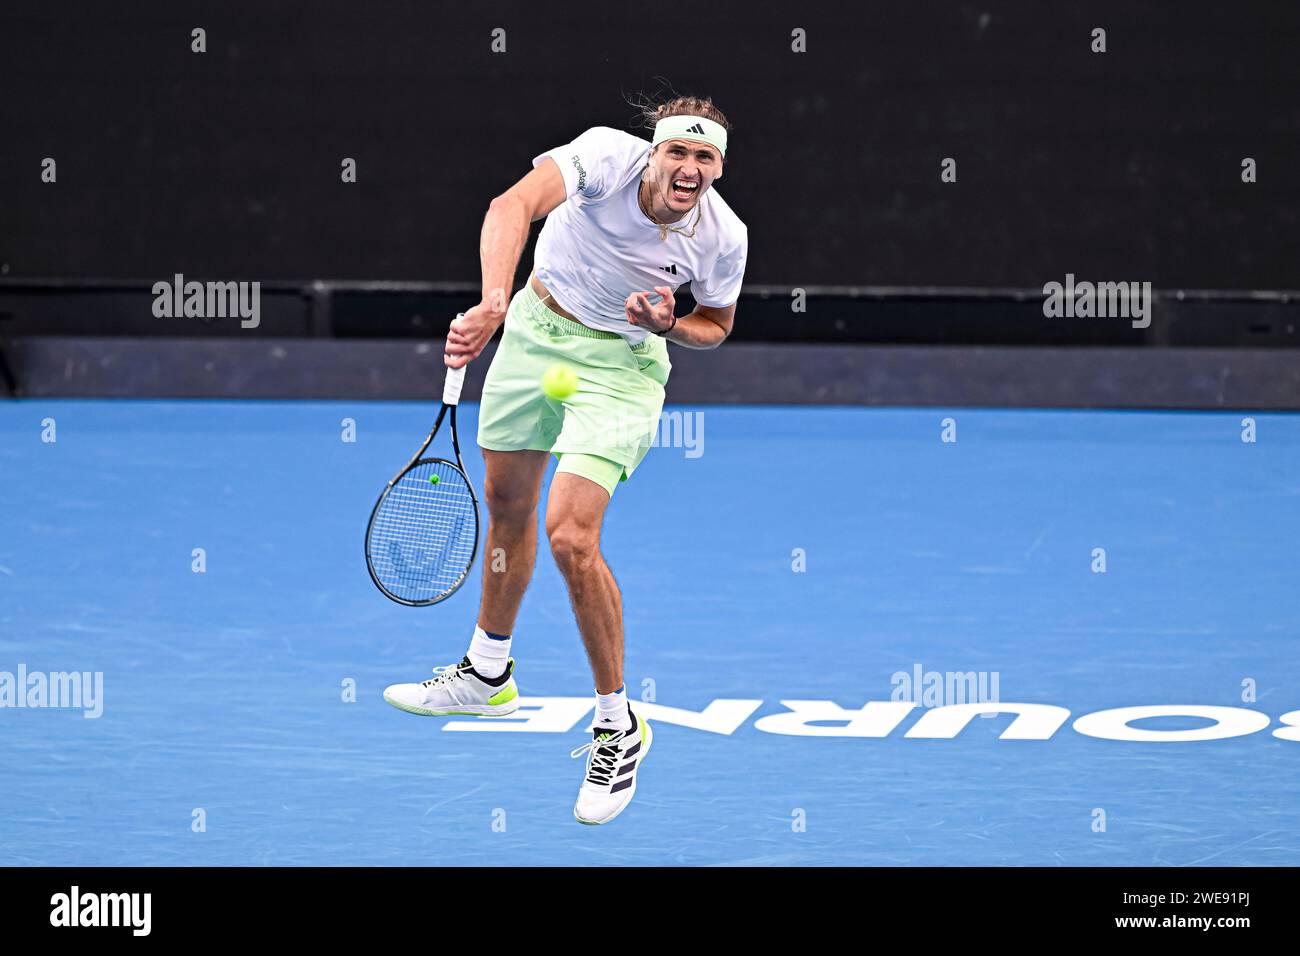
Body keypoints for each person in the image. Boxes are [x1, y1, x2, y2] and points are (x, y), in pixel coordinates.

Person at [384, 95, 748, 825]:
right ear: (655, 152)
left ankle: (618, 723)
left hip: (620, 368)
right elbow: (511, 205)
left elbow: (717, 326)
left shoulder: (723, 235)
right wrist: (492, 304)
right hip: (531, 333)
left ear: (716, 170)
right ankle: (488, 671)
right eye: (678, 151)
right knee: (509, 510)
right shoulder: (605, 158)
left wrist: (671, 323)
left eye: (705, 158)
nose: (688, 168)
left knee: (571, 535)